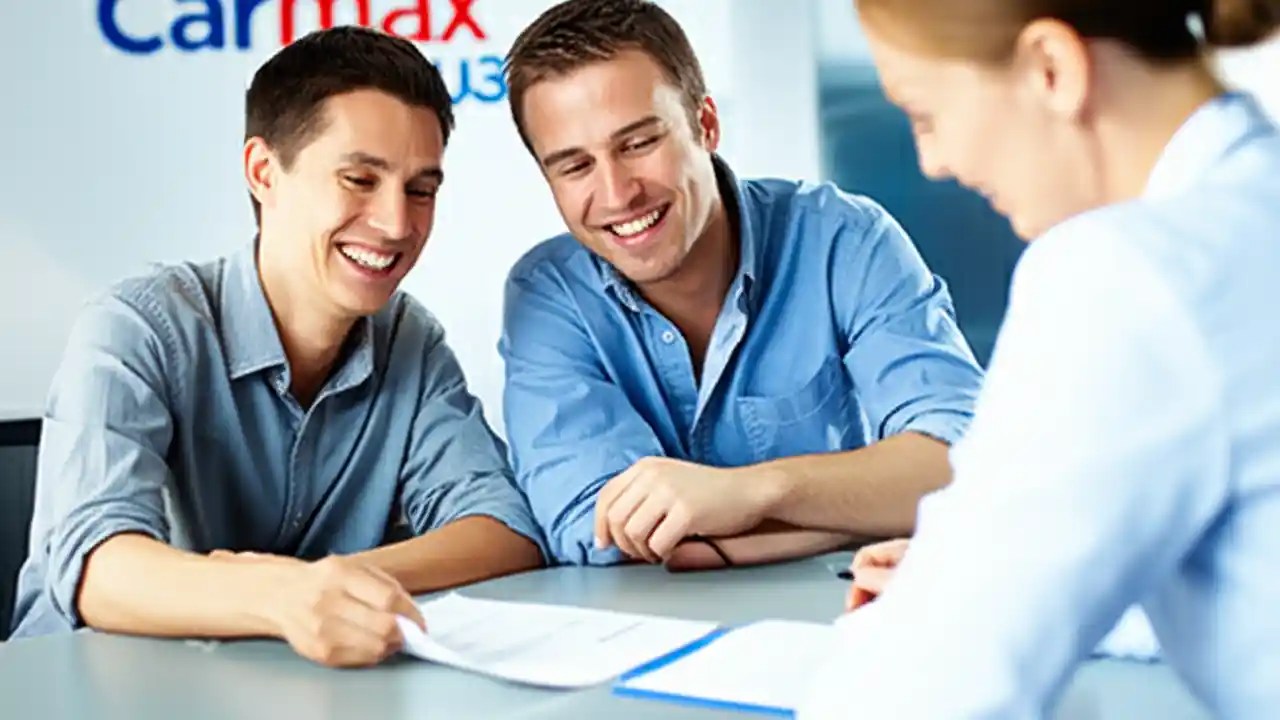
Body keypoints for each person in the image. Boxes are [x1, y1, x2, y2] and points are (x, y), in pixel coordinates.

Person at [798, 1, 1280, 717]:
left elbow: (932, 690)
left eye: (925, 113)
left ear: (1050, 68)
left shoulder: (1126, 273)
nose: (933, 162)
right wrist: (996, 571)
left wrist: (964, 596)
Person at [9, 26, 545, 668]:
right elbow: (96, 566)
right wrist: (284, 594)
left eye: (420, 190)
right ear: (264, 172)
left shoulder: (410, 340)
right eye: (358, 179)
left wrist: (330, 590)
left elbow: (503, 529)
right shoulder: (137, 326)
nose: (397, 223)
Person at [497, 0, 986, 569]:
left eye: (638, 144)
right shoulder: (548, 296)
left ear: (705, 124)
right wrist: (847, 512)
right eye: (574, 166)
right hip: (647, 632)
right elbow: (594, 531)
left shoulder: (845, 240)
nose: (616, 194)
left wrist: (757, 493)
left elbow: (960, 462)